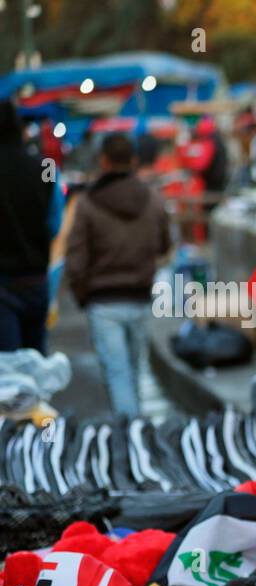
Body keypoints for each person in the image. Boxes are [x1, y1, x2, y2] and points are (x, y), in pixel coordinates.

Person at [65, 133, 172, 417]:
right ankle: (136, 436)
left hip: (102, 301)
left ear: (104, 160)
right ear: (133, 160)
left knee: (117, 374)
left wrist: (81, 293)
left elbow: (75, 257)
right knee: (135, 372)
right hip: (140, 295)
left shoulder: (87, 203)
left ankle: (129, 435)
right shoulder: (153, 199)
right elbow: (165, 244)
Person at [0, 99, 61, 353]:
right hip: (36, 279)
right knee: (37, 362)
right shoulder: (45, 166)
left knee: (9, 373)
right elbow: (55, 222)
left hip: (2, 283)